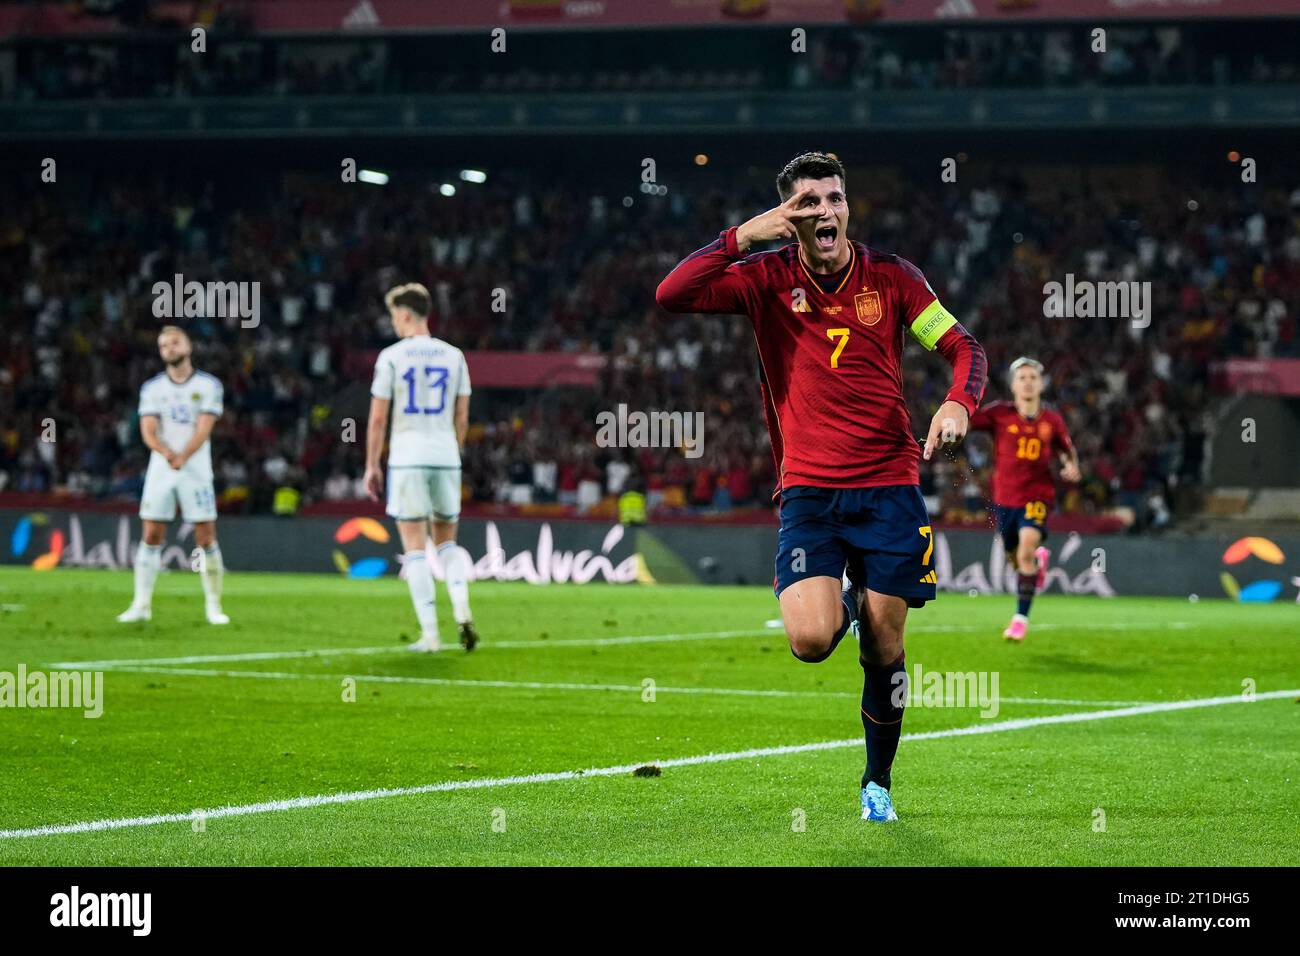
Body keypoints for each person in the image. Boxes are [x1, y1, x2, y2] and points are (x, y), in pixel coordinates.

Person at [656, 151, 987, 822]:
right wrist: (746, 237)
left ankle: (878, 783)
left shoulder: (892, 279)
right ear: (789, 215)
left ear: (847, 205)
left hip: (889, 486)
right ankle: (844, 593)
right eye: (807, 203)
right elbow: (673, 294)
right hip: (809, 491)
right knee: (809, 641)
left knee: (884, 645)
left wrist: (958, 404)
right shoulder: (765, 281)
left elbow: (963, 348)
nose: (825, 211)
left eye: (833, 198)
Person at [363, 283, 478, 652]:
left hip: (408, 457)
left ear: (407, 315)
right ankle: (461, 608)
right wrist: (452, 452)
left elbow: (378, 420)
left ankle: (431, 635)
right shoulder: (455, 356)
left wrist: (372, 465)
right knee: (447, 542)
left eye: (395, 316)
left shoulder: (392, 357)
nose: (394, 323)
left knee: (414, 547)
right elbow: (462, 417)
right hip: (445, 456)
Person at [118, 326, 228, 625]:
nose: (169, 348)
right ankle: (141, 604)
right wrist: (167, 454)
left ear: (188, 346)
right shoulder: (152, 388)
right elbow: (148, 430)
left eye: (175, 342)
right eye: (164, 344)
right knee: (151, 534)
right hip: (162, 469)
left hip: (195, 469)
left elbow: (204, 428)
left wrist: (183, 456)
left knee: (205, 536)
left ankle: (214, 606)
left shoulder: (208, 385)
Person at [969, 356, 1080, 641]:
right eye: (1022, 378)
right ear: (1013, 385)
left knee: (1026, 550)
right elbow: (967, 418)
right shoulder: (999, 415)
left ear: (1041, 384)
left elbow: (1067, 450)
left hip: (1037, 496)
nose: (1028, 382)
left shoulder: (1052, 421)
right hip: (1005, 499)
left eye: (1033, 377)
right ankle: (1036, 566)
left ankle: (1020, 619)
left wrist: (1071, 466)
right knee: (1016, 560)